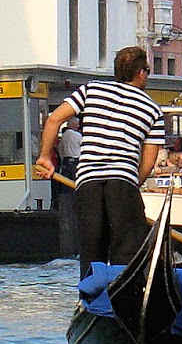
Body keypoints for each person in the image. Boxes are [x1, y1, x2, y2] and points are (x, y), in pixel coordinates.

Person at [34, 46, 164, 274]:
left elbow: (54, 120)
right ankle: (123, 298)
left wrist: (45, 157)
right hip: (122, 182)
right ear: (141, 73)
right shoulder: (152, 109)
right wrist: (133, 186)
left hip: (88, 183)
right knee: (126, 253)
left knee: (92, 252)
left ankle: (92, 298)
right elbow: (148, 162)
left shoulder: (91, 90)